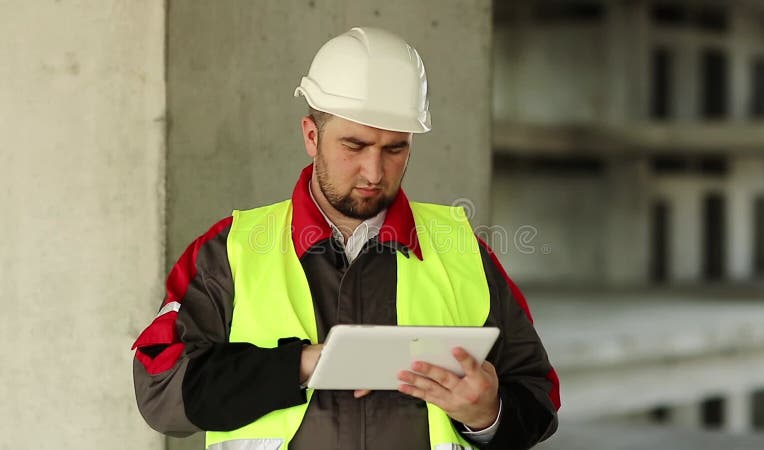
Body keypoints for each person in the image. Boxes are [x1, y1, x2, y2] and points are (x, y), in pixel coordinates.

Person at [132, 26, 560, 450]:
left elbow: (540, 396)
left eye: (395, 149)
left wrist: (488, 415)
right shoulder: (230, 251)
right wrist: (303, 364)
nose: (374, 172)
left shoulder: (462, 249)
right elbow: (159, 389)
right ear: (311, 136)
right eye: (354, 146)